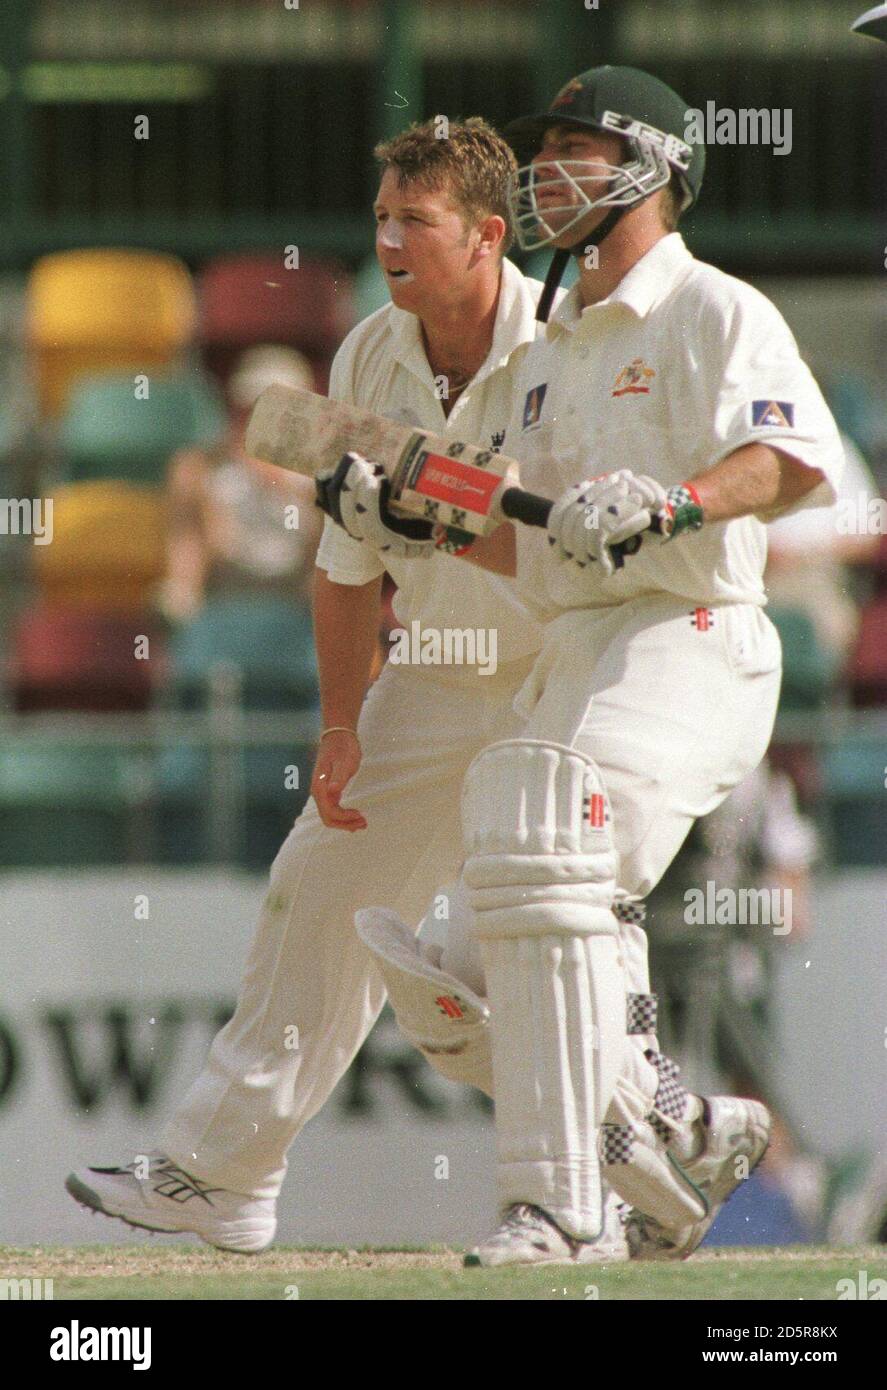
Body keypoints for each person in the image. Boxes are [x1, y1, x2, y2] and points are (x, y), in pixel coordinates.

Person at [64, 118, 609, 1254]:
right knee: (317, 884)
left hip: (578, 670)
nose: (389, 240)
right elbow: (345, 562)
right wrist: (339, 724)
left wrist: (446, 508)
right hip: (443, 669)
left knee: (538, 929)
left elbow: (571, 546)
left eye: (416, 221)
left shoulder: (572, 343)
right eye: (381, 218)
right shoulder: (368, 352)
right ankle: (221, 1177)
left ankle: (623, 1166)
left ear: (488, 237)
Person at [333, 65, 845, 1265]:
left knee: (543, 845)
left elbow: (793, 463)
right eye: (543, 151)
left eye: (576, 149)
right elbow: (532, 533)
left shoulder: (712, 308)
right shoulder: (548, 349)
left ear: (652, 167)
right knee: (458, 981)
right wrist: (414, 515)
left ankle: (562, 1208)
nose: (547, 170)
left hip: (687, 633)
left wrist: (672, 502)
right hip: (574, 647)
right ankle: (678, 1141)